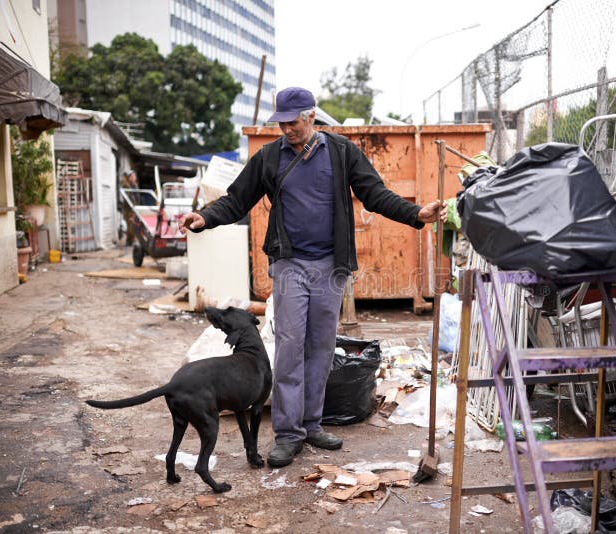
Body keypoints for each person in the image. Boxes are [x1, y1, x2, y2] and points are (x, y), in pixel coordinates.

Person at [179, 87, 446, 467]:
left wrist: (416, 213)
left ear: (311, 116)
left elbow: (374, 194)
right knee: (290, 347)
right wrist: (205, 218)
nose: (287, 129)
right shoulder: (269, 157)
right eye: (282, 123)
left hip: (330, 266)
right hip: (289, 265)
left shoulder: (340, 153)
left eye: (293, 122)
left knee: (320, 348)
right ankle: (288, 435)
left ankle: (312, 423)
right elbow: (237, 199)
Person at [120, 169, 138, 246]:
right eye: (133, 176)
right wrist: (133, 207)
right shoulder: (125, 185)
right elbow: (129, 198)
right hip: (129, 209)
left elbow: (137, 195)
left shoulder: (134, 185)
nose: (135, 178)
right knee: (131, 225)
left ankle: (129, 241)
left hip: (134, 208)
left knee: (133, 224)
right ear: (129, 177)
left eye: (135, 176)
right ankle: (131, 240)